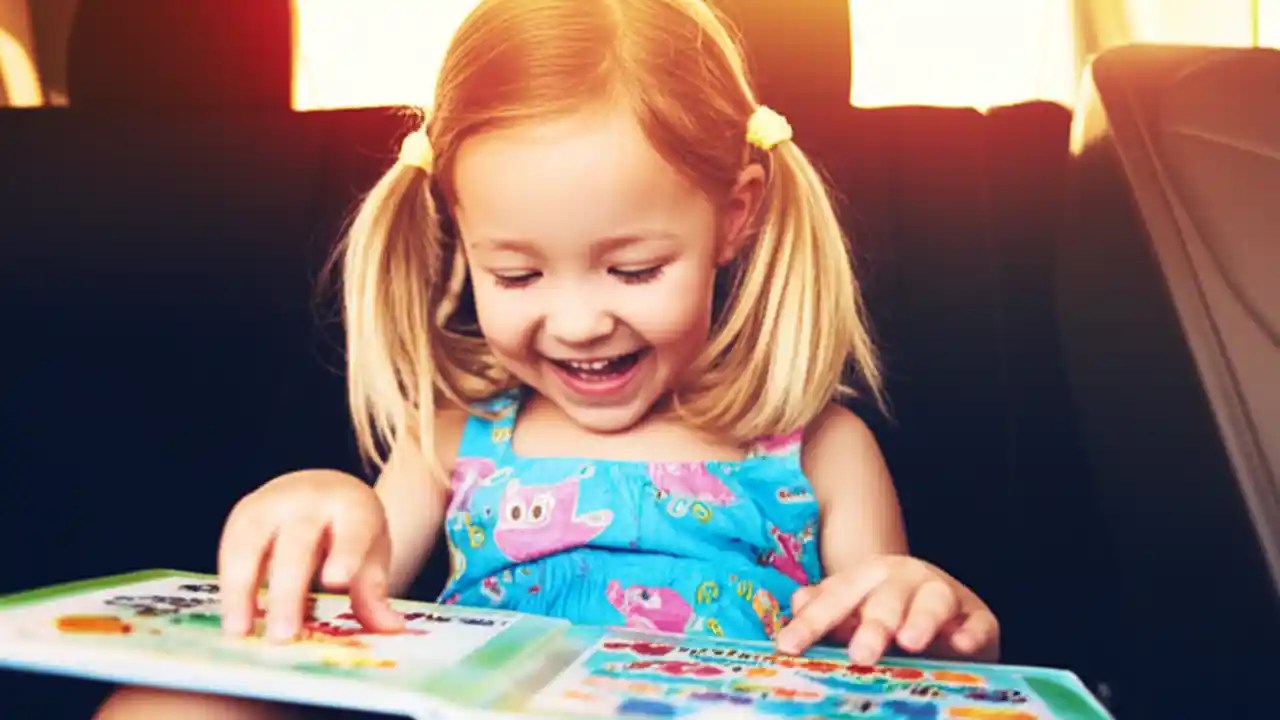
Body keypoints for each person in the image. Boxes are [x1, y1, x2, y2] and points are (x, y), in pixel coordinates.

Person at [97, 0, 997, 716]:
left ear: (735, 217)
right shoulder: (448, 444)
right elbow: (341, 604)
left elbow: (886, 672)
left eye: (633, 268)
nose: (575, 322)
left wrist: (929, 620)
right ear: (463, 241)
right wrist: (320, 509)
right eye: (518, 273)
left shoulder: (818, 450)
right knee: (174, 701)